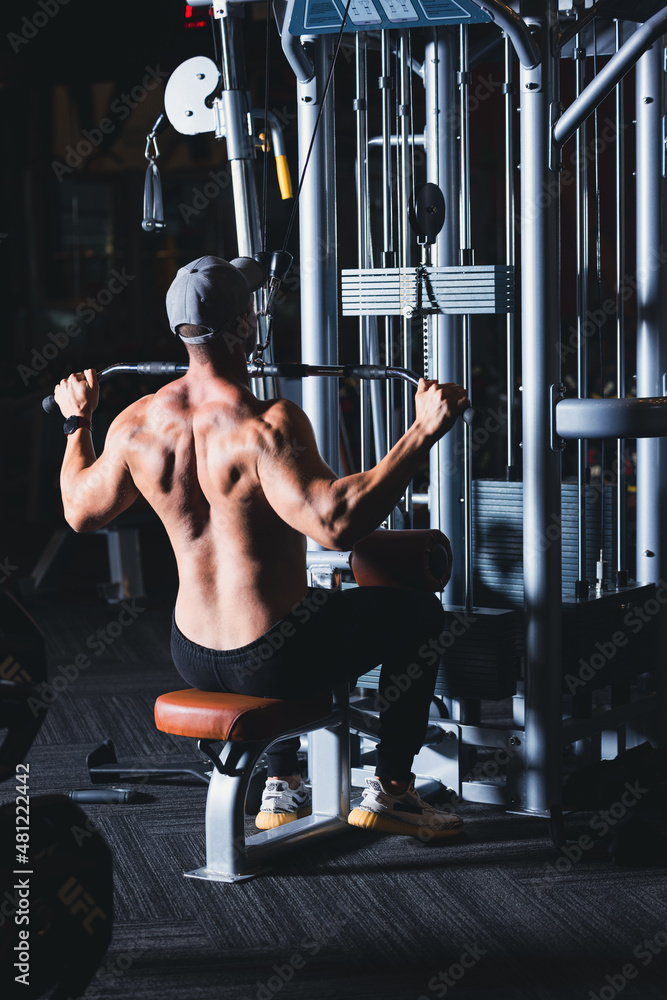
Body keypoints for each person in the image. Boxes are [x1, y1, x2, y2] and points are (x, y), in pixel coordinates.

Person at [54, 255, 469, 838]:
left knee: (305, 606)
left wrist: (78, 424)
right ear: (245, 330)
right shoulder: (266, 424)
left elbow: (78, 511)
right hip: (276, 659)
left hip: (190, 652)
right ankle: (393, 790)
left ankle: (283, 782)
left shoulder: (135, 424)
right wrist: (421, 433)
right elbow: (335, 522)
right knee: (419, 614)